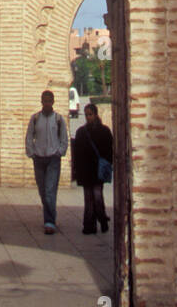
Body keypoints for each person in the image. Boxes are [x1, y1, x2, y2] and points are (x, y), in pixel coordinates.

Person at [25, 89, 69, 233]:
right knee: (43, 191)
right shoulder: (35, 118)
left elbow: (64, 138)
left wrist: (59, 152)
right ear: (42, 101)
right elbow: (29, 136)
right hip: (39, 158)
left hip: (53, 159)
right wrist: (32, 153)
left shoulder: (58, 119)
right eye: (45, 100)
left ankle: (49, 222)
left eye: (49, 100)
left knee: (50, 191)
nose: (47, 103)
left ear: (53, 102)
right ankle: (50, 215)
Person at [72, 102, 113, 234]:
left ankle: (102, 218)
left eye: (90, 114)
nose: (88, 117)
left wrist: (106, 164)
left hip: (97, 170)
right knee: (88, 198)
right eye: (87, 115)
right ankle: (89, 225)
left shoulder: (105, 131)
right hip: (86, 170)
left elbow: (110, 150)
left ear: (95, 115)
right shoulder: (81, 132)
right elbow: (77, 153)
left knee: (97, 196)